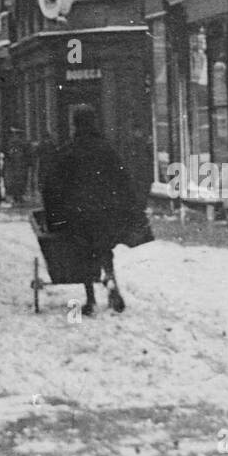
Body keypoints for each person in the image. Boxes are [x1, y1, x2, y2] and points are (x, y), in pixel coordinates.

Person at [55, 105, 143, 316]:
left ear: (75, 124)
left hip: (79, 212)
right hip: (105, 210)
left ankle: (90, 300)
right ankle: (111, 279)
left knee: (84, 253)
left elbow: (58, 185)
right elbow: (123, 179)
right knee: (105, 249)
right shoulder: (106, 148)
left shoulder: (69, 150)